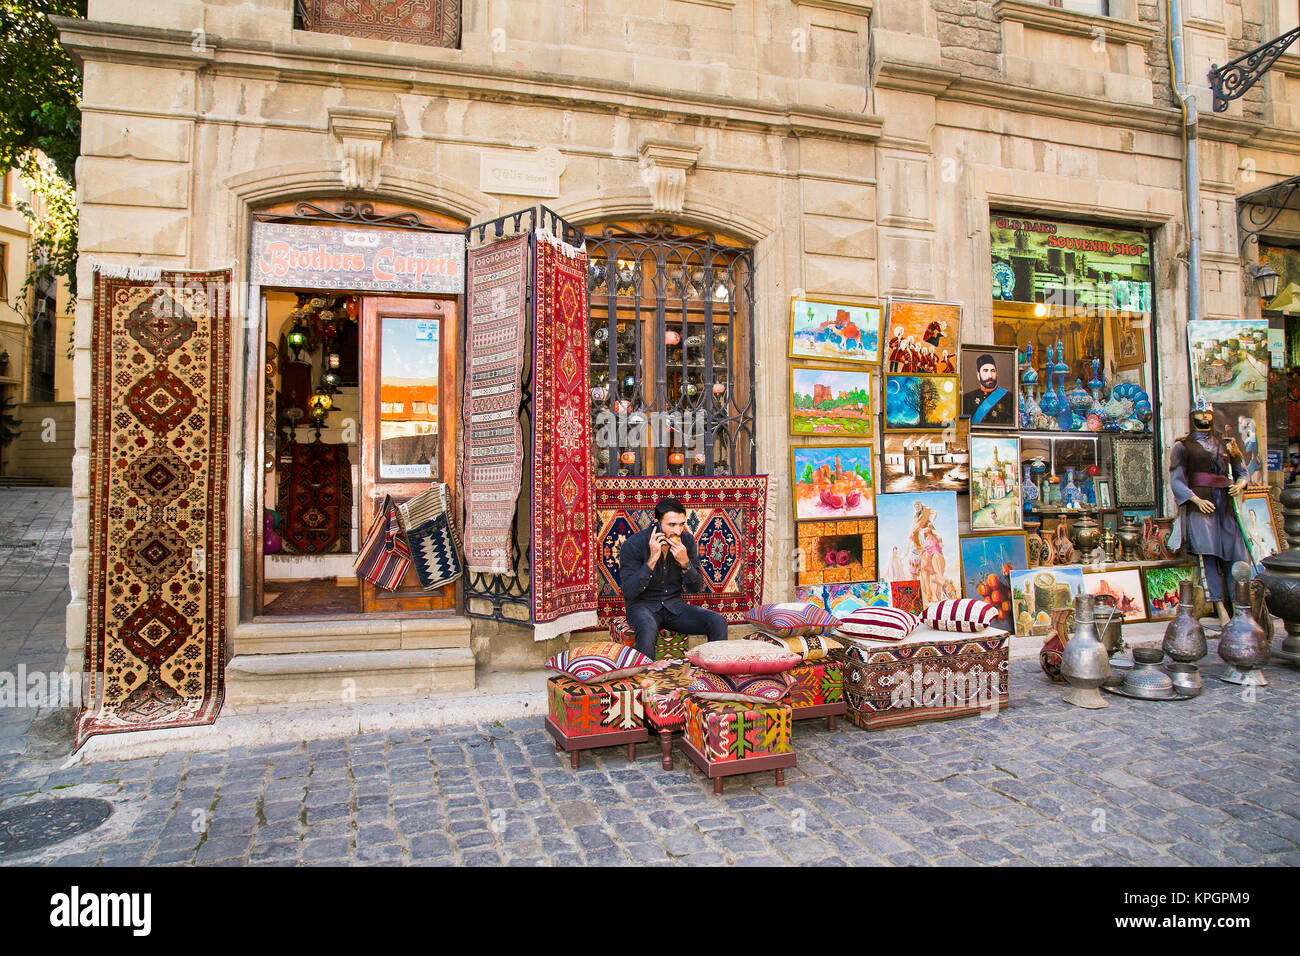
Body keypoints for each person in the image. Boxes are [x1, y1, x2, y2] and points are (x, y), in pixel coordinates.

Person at [1169, 399, 1249, 624]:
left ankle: (1239, 606)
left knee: (1234, 554)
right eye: (1199, 413)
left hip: (1224, 504)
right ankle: (1220, 607)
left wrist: (1240, 485)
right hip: (1201, 507)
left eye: (1207, 413)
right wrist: (1194, 499)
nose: (1204, 418)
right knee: (1208, 555)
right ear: (1192, 415)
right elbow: (1176, 479)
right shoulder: (1182, 446)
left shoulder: (1227, 444)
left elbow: (1242, 471)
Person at [618, 496, 728, 658]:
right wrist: (652, 559)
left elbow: (696, 588)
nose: (677, 530)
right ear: (658, 522)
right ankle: (645, 679)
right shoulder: (634, 544)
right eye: (671, 525)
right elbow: (629, 592)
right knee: (648, 627)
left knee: (718, 622)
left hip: (674, 606)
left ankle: (713, 677)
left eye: (681, 524)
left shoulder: (687, 541)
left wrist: (685, 563)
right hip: (642, 607)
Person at [962, 353, 1013, 425]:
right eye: (985, 371)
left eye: (993, 371)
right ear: (978, 375)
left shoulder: (1009, 398)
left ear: (996, 373)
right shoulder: (967, 399)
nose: (990, 376)